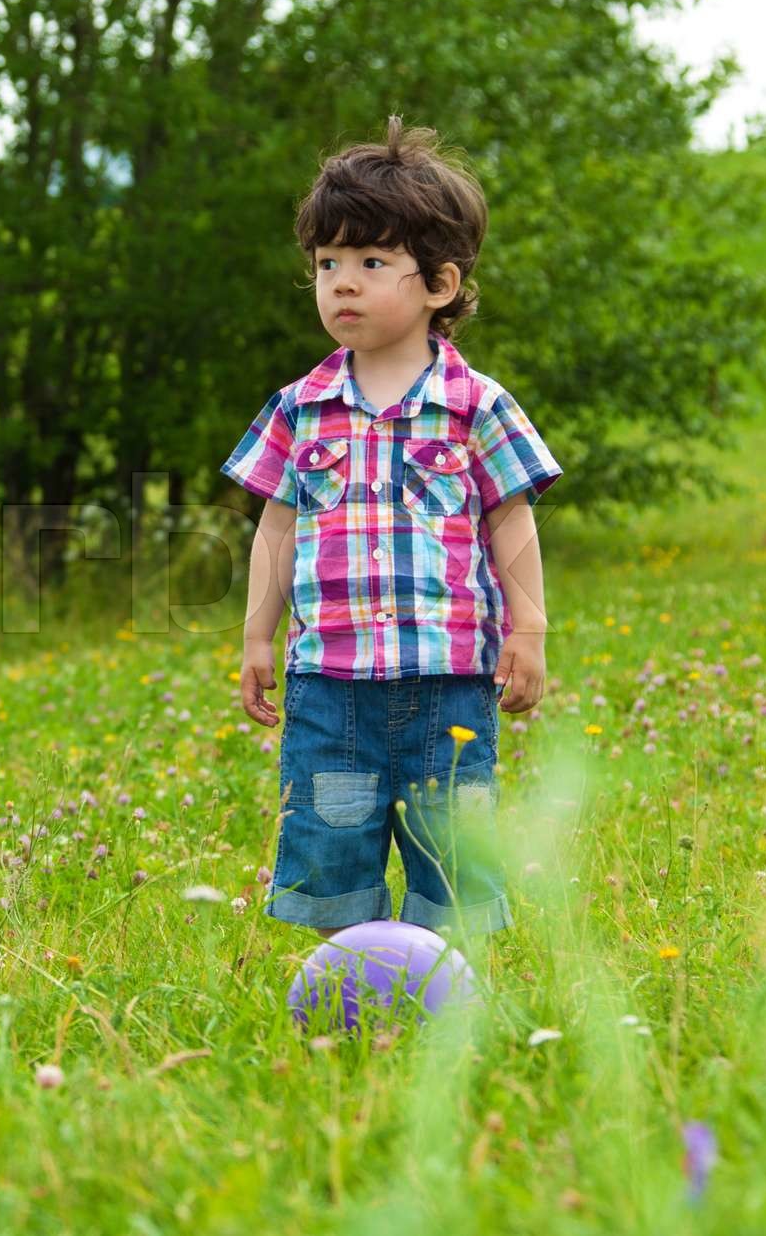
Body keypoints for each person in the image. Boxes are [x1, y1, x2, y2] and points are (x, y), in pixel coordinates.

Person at [221, 116, 562, 940]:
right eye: (326, 263)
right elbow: (275, 528)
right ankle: (351, 986)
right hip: (330, 686)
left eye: (371, 263)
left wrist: (530, 629)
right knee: (330, 846)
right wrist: (257, 636)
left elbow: (511, 519)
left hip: (449, 681)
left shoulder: (476, 406)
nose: (341, 283)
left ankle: (451, 989)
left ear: (439, 284)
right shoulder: (300, 408)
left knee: (455, 854)